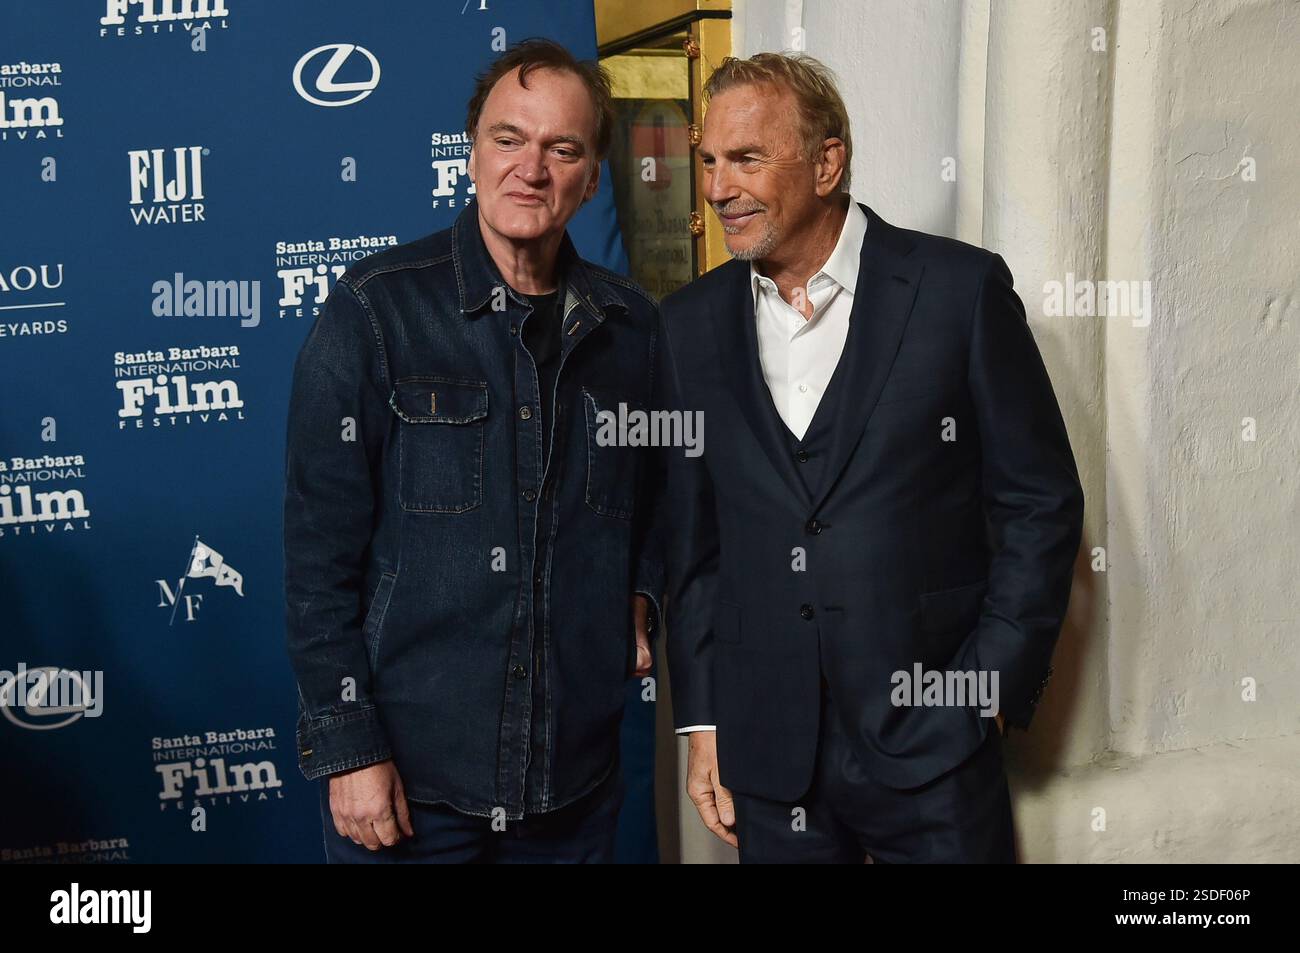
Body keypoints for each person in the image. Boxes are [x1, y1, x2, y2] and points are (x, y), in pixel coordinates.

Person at [661, 52, 1084, 863]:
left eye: (747, 158)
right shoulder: (685, 326)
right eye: (709, 160)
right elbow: (696, 547)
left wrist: (982, 689)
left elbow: (1040, 501)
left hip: (934, 751)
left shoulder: (958, 292)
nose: (717, 188)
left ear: (827, 163)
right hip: (769, 757)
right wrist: (707, 719)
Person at [284, 38, 665, 863]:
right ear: (471, 153)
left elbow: (665, 500)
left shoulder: (632, 328)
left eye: (562, 148)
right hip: (414, 791)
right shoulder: (375, 310)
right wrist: (349, 747)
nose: (532, 167)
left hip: (576, 787)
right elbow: (319, 555)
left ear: (592, 177)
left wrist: (643, 590)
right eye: (509, 139)